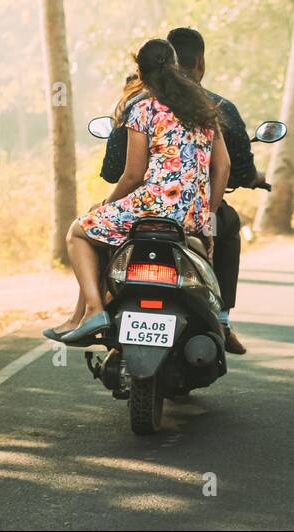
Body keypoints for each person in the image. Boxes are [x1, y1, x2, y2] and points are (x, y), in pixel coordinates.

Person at [46, 39, 230, 345]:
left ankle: (93, 310)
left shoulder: (143, 109)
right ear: (175, 67)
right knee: (97, 224)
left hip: (153, 206)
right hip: (193, 215)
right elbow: (222, 167)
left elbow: (132, 175)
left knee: (78, 232)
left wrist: (106, 204)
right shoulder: (204, 110)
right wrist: (207, 214)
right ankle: (80, 316)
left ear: (141, 76)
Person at [167, 27, 262, 355]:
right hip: (196, 208)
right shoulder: (216, 108)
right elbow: (231, 167)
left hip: (145, 205)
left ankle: (99, 305)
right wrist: (209, 210)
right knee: (228, 224)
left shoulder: (139, 104)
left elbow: (114, 169)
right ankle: (221, 318)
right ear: (201, 64)